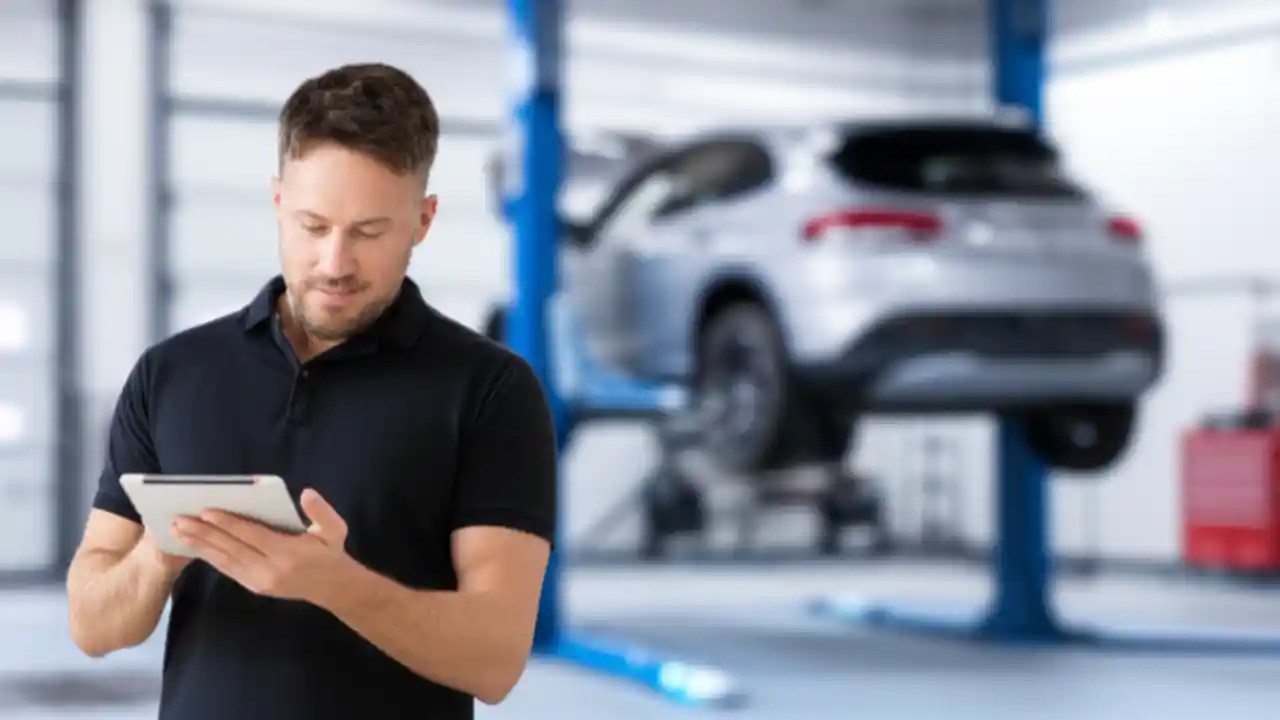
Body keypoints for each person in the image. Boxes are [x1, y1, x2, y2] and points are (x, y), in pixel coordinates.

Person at [64, 62, 557, 719]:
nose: (334, 263)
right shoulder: (172, 374)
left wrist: (335, 585)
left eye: (369, 232)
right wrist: (161, 552)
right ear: (277, 202)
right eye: (313, 225)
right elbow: (93, 626)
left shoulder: (491, 391)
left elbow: (495, 660)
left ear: (424, 220)